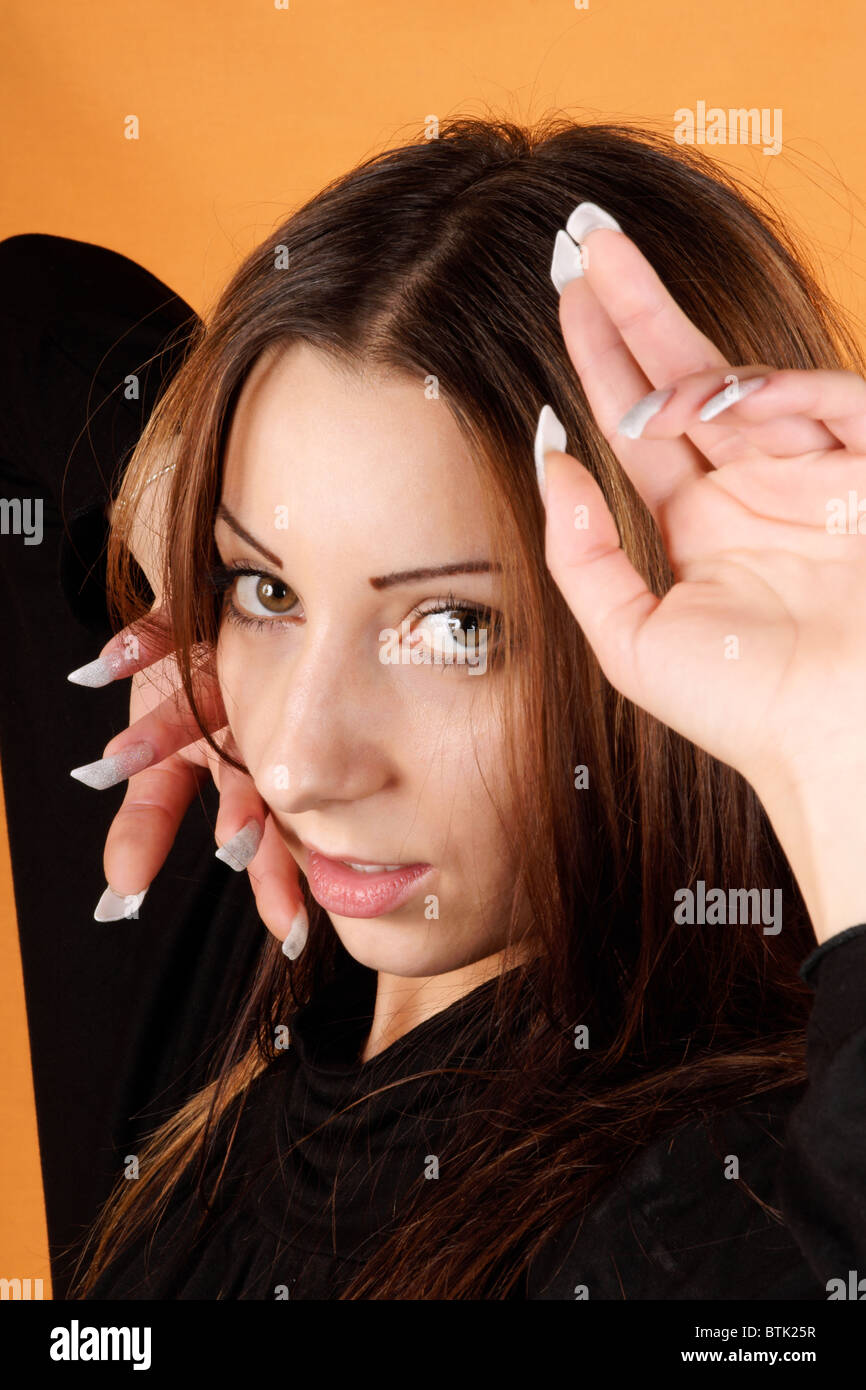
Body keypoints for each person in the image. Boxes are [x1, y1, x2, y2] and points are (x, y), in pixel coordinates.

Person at [4, 115, 866, 1301]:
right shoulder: (217, 946)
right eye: (265, 590)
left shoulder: (711, 1208)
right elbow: (26, 318)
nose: (302, 761)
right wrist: (182, 502)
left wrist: (834, 750)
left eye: (453, 625)